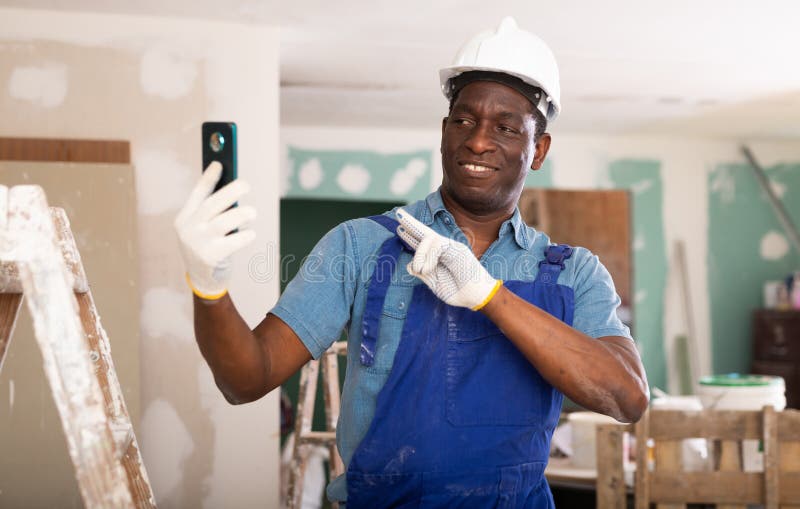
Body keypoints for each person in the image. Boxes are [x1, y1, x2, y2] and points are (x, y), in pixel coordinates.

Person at [175, 16, 649, 508]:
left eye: (506, 127)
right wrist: (209, 287)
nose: (479, 140)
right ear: (445, 131)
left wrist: (489, 296)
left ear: (538, 149)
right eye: (464, 120)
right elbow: (245, 379)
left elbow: (627, 398)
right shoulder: (360, 247)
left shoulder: (574, 272)